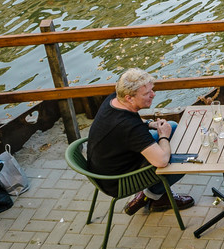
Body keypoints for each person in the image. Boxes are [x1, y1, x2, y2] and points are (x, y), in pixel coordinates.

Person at [84, 68, 196, 215]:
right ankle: (153, 196)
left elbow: (135, 120)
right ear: (129, 98)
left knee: (172, 127)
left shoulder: (115, 100)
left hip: (105, 168)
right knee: (183, 162)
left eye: (152, 90)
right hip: (118, 181)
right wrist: (162, 136)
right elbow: (161, 161)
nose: (153, 94)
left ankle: (154, 194)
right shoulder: (128, 127)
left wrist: (150, 124)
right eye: (147, 93)